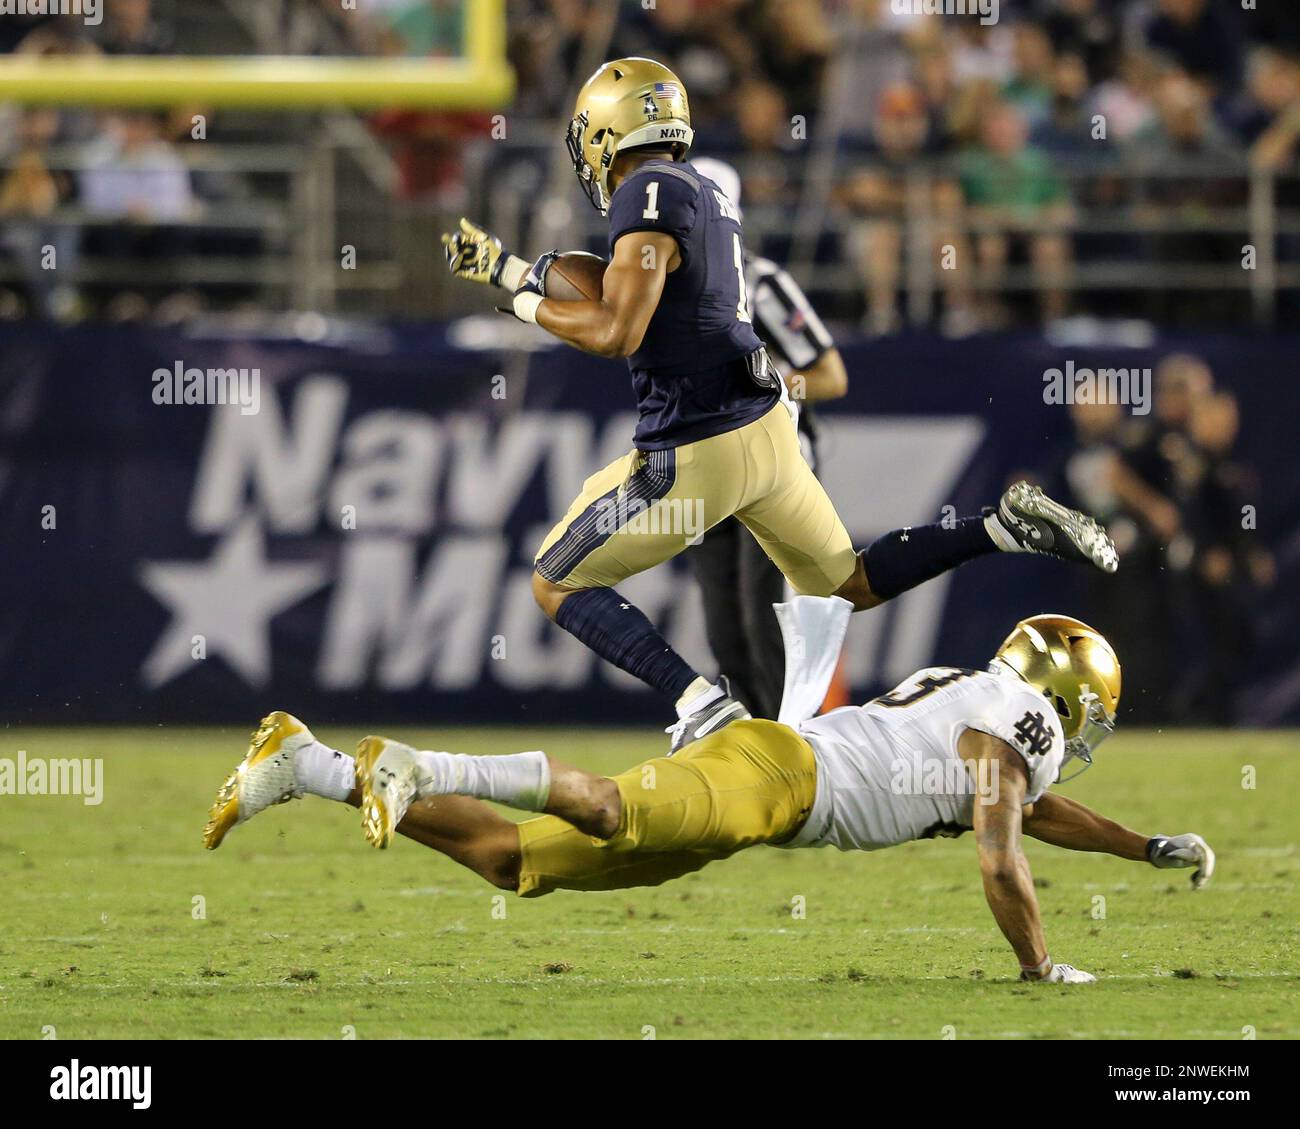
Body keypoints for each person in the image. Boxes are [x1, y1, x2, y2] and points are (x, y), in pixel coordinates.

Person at [441, 57, 1118, 754]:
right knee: (848, 580)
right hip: (765, 434)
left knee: (555, 579)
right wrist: (516, 269)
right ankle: (1003, 526)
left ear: (610, 130)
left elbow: (617, 329)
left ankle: (697, 701)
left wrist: (524, 303)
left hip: (697, 448)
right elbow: (614, 284)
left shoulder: (644, 191)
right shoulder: (697, 191)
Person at [202, 599, 1215, 983]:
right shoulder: (1013, 731)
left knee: (514, 863)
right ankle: (427, 764)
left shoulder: (984, 712)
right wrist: (1039, 967)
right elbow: (1001, 848)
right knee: (609, 807)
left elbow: (1027, 815)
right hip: (776, 777)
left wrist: (1139, 847)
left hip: (775, 793)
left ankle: (312, 762)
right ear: (1066, 701)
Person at [682, 155, 845, 720]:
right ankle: (757, 751)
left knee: (765, 615)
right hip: (710, 468)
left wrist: (763, 384)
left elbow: (830, 375)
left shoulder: (761, 284)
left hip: (775, 466)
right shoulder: (663, 293)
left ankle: (796, 750)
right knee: (723, 626)